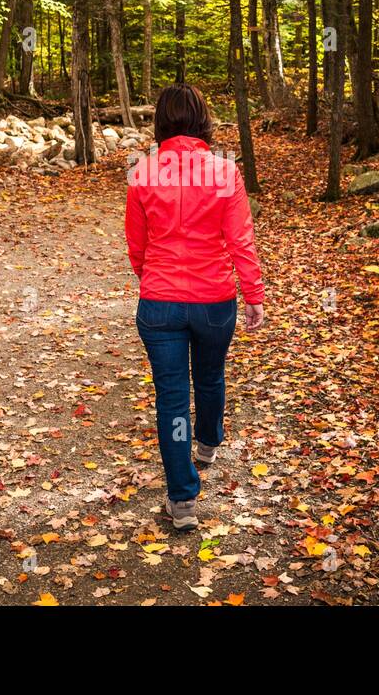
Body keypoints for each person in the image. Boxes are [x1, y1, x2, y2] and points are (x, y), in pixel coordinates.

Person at [125, 83, 265, 532]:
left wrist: (151, 276)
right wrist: (254, 295)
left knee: (171, 400)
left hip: (161, 301)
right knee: (209, 375)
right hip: (213, 301)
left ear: (161, 121)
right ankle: (207, 442)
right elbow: (240, 240)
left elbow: (137, 244)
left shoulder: (142, 173)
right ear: (203, 120)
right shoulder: (225, 172)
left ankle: (182, 500)